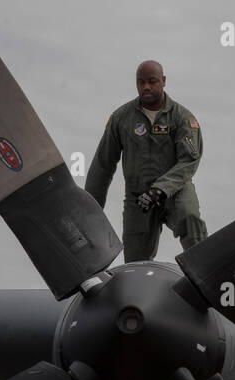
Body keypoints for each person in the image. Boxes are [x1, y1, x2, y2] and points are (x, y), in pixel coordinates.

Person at [84, 60, 208, 262]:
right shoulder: (121, 119)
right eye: (141, 82)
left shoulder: (182, 118)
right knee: (135, 261)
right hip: (138, 198)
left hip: (175, 191)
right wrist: (89, 214)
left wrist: (160, 189)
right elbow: (103, 166)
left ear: (164, 81)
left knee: (190, 217)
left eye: (152, 82)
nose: (146, 87)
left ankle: (204, 268)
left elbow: (189, 161)